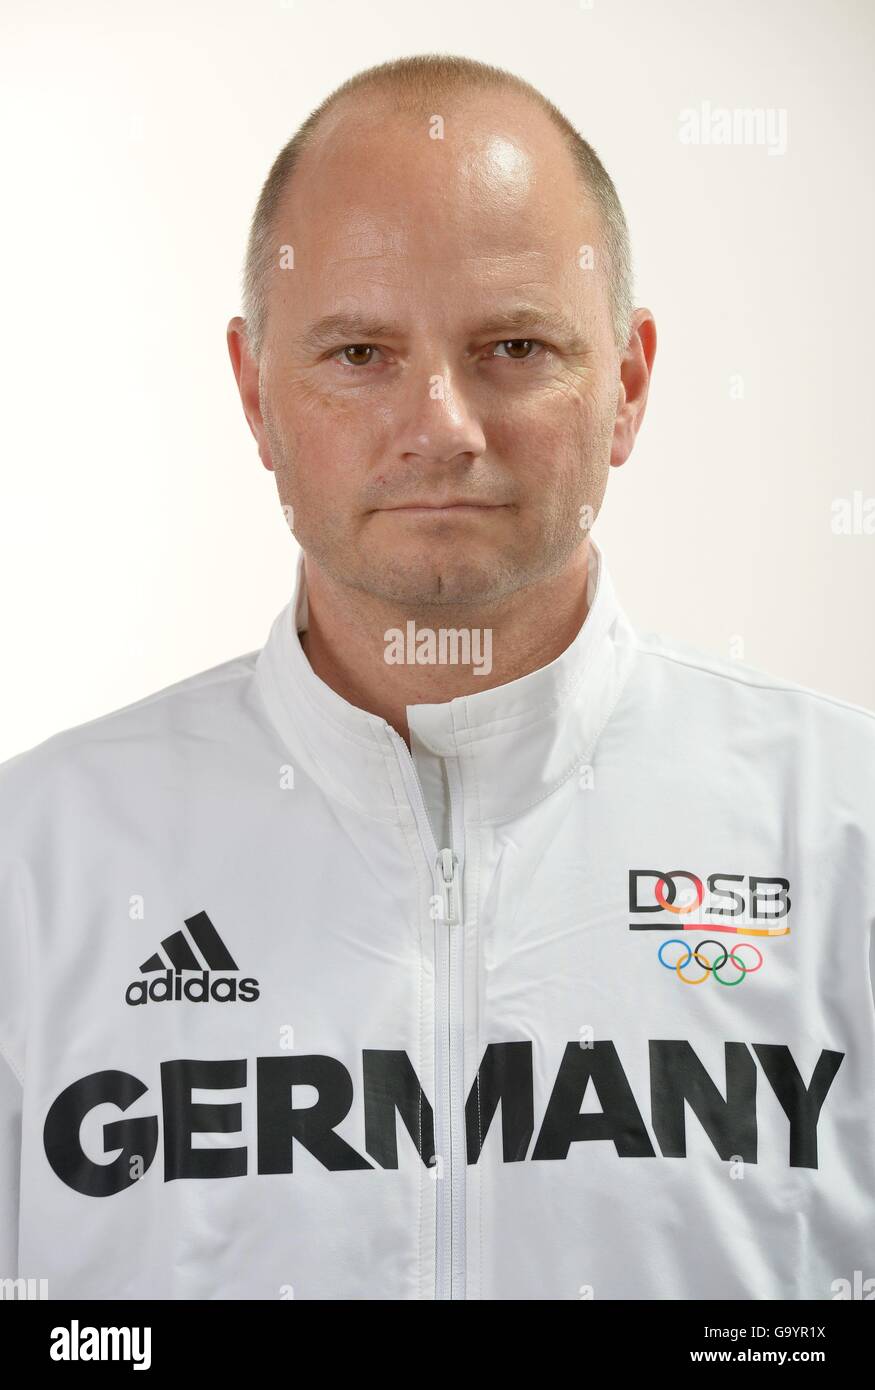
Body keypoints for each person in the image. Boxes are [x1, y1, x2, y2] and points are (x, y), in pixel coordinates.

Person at [1, 53, 873, 1302]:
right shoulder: (35, 872)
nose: (441, 424)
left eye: (513, 345)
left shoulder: (844, 839)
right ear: (253, 392)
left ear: (625, 384)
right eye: (357, 353)